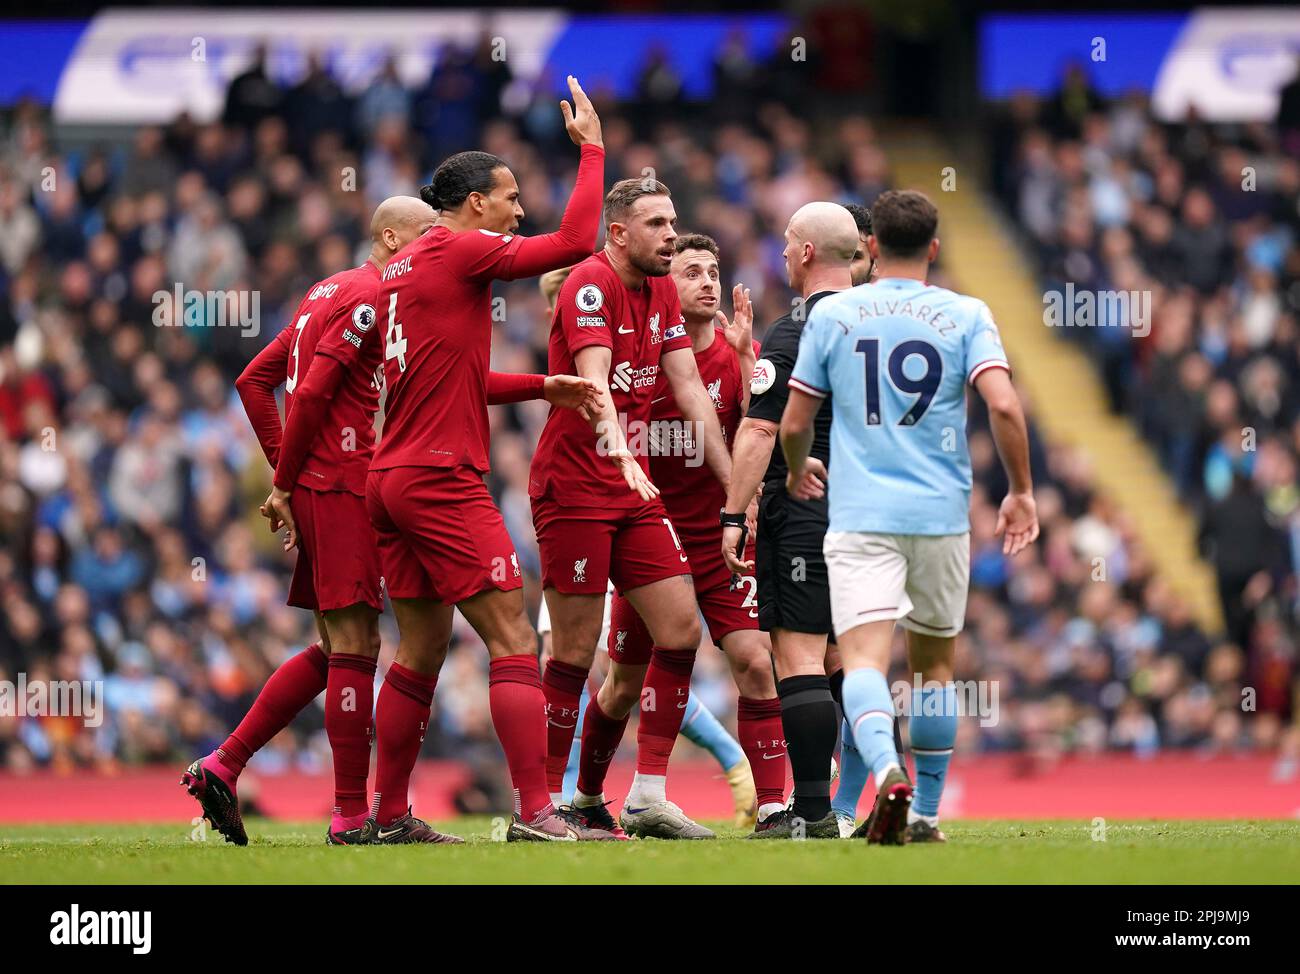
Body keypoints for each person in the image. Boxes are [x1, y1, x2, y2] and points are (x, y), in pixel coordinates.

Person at [183, 196, 594, 846]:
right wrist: (286, 483)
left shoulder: (328, 291)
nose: (438, 240)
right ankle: (352, 819)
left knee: (337, 646)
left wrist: (288, 475)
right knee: (358, 647)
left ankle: (225, 763)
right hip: (345, 482)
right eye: (427, 230)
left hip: (336, 482)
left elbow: (256, 380)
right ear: (391, 234)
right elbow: (311, 392)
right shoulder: (378, 295)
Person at [364, 76, 609, 843]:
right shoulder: (461, 247)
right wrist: (593, 152)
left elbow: (449, 373)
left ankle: (386, 816)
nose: (518, 211)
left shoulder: (399, 273)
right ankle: (538, 813)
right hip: (439, 474)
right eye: (508, 199)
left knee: (422, 648)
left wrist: (541, 385)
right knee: (511, 633)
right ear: (475, 205)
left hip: (389, 476)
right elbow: (573, 244)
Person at [780, 189, 1039, 843]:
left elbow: (793, 421)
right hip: (940, 516)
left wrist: (796, 465)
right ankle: (924, 812)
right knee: (935, 671)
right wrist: (1021, 492)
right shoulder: (965, 313)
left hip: (862, 516)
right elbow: (1005, 407)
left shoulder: (834, 317)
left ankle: (885, 769)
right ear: (934, 249)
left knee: (864, 662)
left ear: (870, 248)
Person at [530, 177, 733, 839]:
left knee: (679, 629)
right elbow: (593, 385)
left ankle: (646, 796)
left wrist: (735, 491)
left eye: (673, 221)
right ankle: (542, 809)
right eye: (656, 224)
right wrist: (619, 454)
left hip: (631, 488)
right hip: (577, 486)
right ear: (618, 232)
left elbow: (691, 391)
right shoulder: (590, 285)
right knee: (574, 650)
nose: (670, 235)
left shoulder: (664, 290)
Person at [567, 233, 785, 836]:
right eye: (691, 272)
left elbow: (759, 434)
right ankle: (586, 798)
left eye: (713, 270)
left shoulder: (741, 353)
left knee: (755, 661)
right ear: (667, 285)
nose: (707, 282)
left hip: (721, 536)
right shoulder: (641, 357)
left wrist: (745, 360)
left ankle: (771, 808)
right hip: (652, 535)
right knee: (621, 685)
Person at [721, 202, 858, 838]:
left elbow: (759, 429)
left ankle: (812, 812)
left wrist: (732, 514)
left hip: (808, 503)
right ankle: (884, 789)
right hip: (880, 512)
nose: (781, 252)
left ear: (806, 253)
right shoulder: (887, 321)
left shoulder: (799, 327)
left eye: (786, 242)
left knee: (798, 657)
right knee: (849, 659)